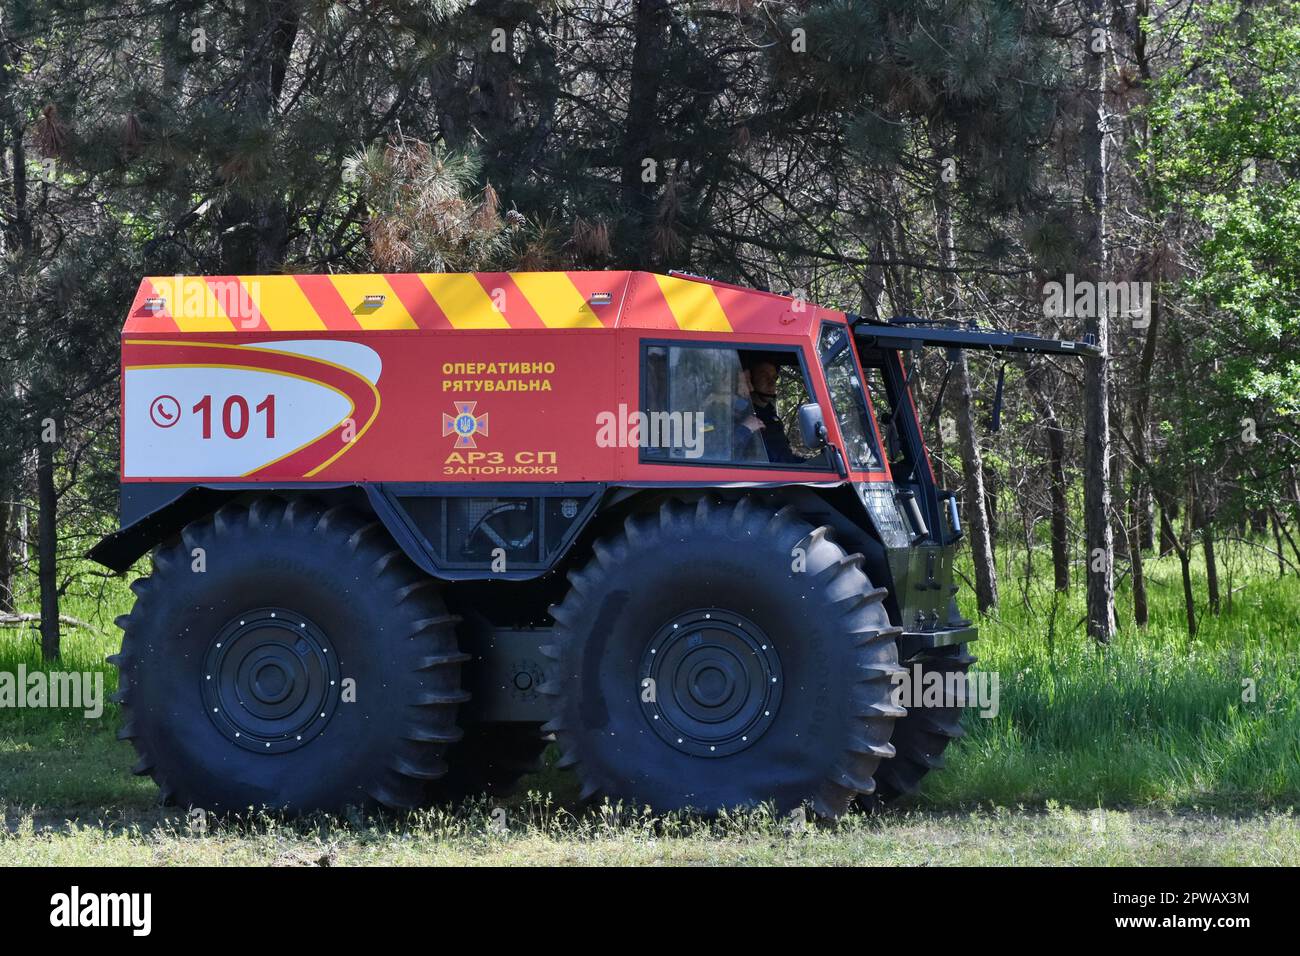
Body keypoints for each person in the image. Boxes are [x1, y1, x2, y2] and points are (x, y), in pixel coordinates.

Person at [734, 355, 799, 464]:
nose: (771, 383)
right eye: (764, 376)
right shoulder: (740, 416)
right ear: (751, 380)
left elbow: (785, 457)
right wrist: (744, 430)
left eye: (774, 378)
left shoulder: (771, 415)